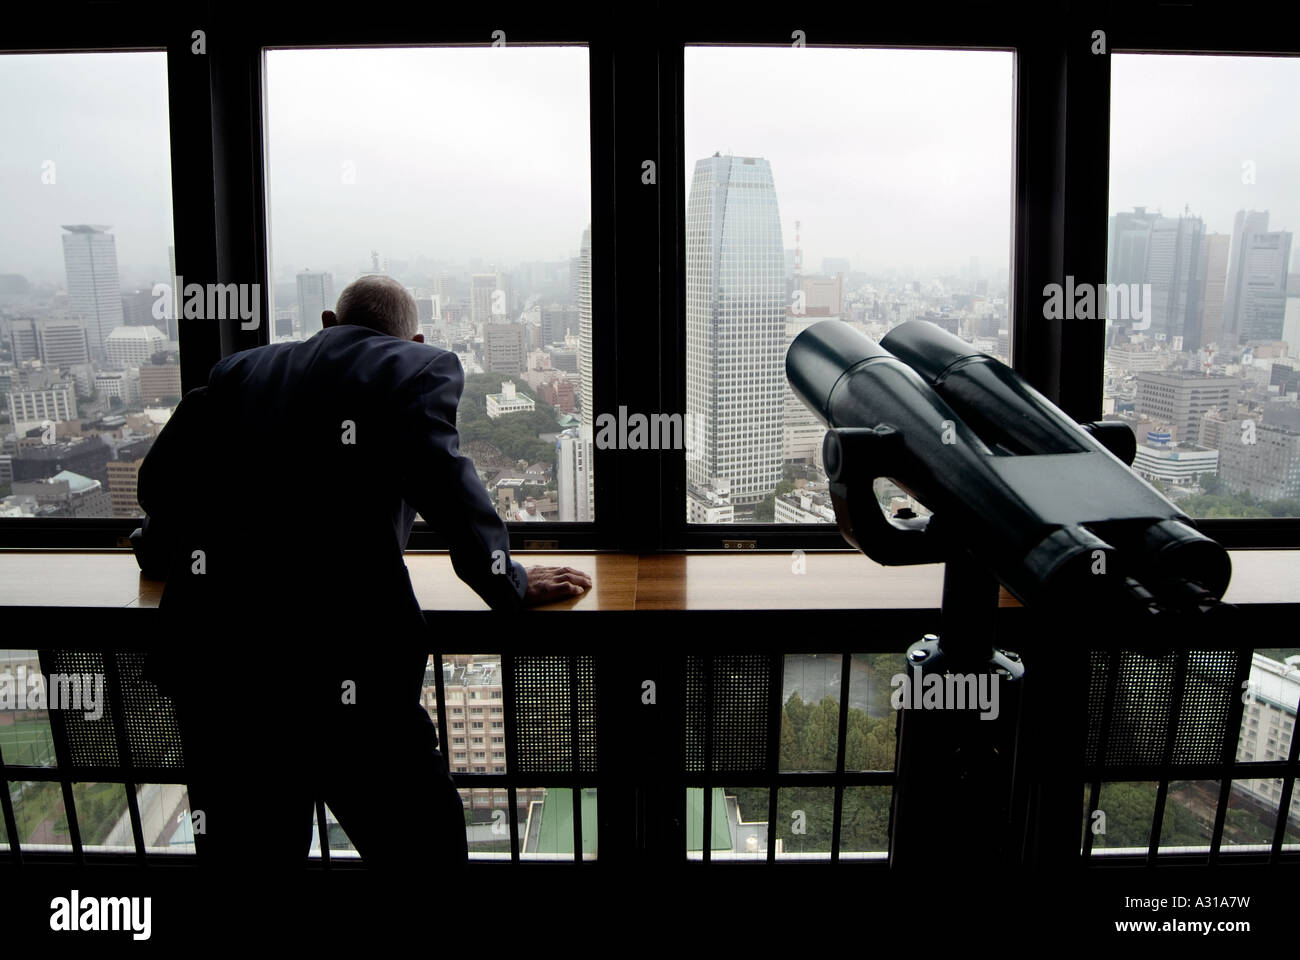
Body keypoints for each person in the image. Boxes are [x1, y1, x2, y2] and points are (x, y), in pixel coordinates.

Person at [136, 274, 591, 872]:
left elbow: (158, 487)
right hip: (344, 669)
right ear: (417, 336)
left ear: (329, 320)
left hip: (222, 672)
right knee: (425, 852)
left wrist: (166, 553)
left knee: (247, 867)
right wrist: (511, 581)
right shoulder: (415, 368)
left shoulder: (237, 373)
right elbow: (453, 497)